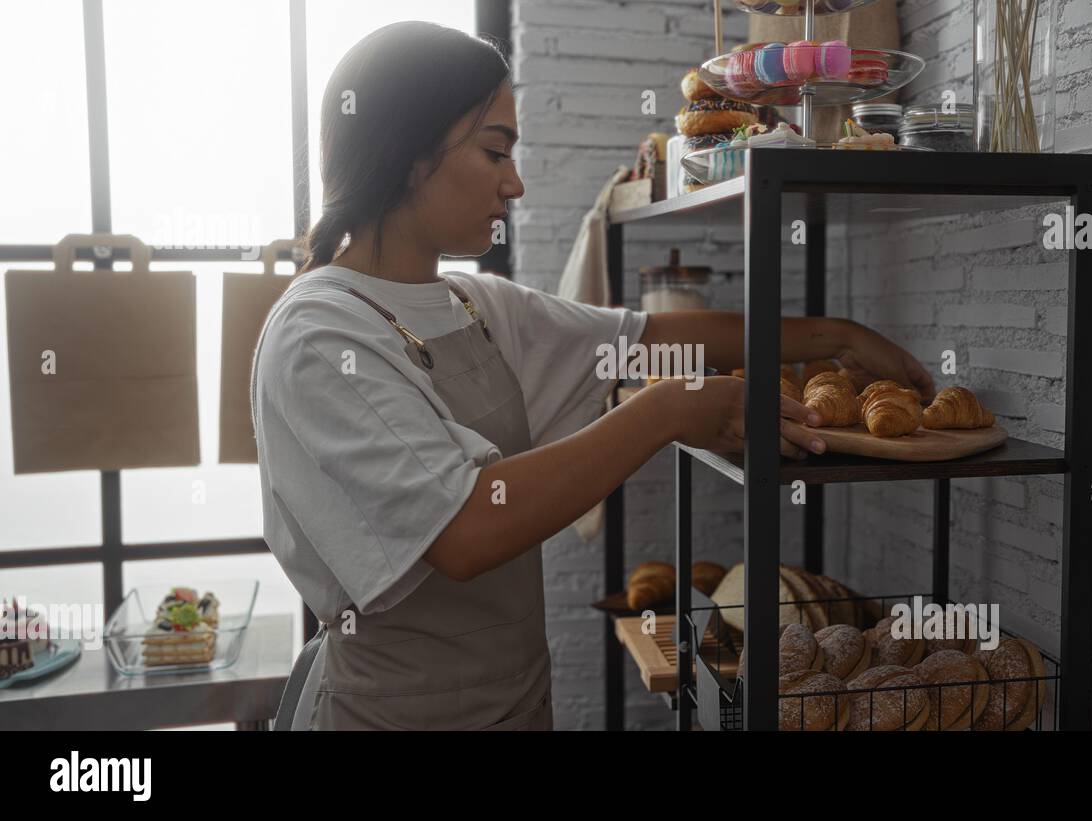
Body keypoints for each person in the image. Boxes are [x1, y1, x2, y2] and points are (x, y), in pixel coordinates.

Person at [254, 21, 934, 730]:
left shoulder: (472, 304)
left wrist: (834, 335)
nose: (513, 183)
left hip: (519, 702)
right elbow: (462, 529)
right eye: (494, 152)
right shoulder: (319, 333)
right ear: (408, 154)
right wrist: (667, 410)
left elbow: (646, 338)